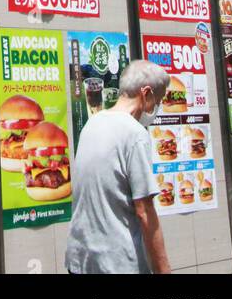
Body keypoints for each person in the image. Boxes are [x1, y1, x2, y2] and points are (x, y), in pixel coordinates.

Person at [65, 59, 172, 275]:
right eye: (158, 100)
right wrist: (163, 270)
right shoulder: (134, 134)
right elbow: (145, 211)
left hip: (80, 260)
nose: (156, 107)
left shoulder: (92, 124)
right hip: (116, 264)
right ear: (146, 93)